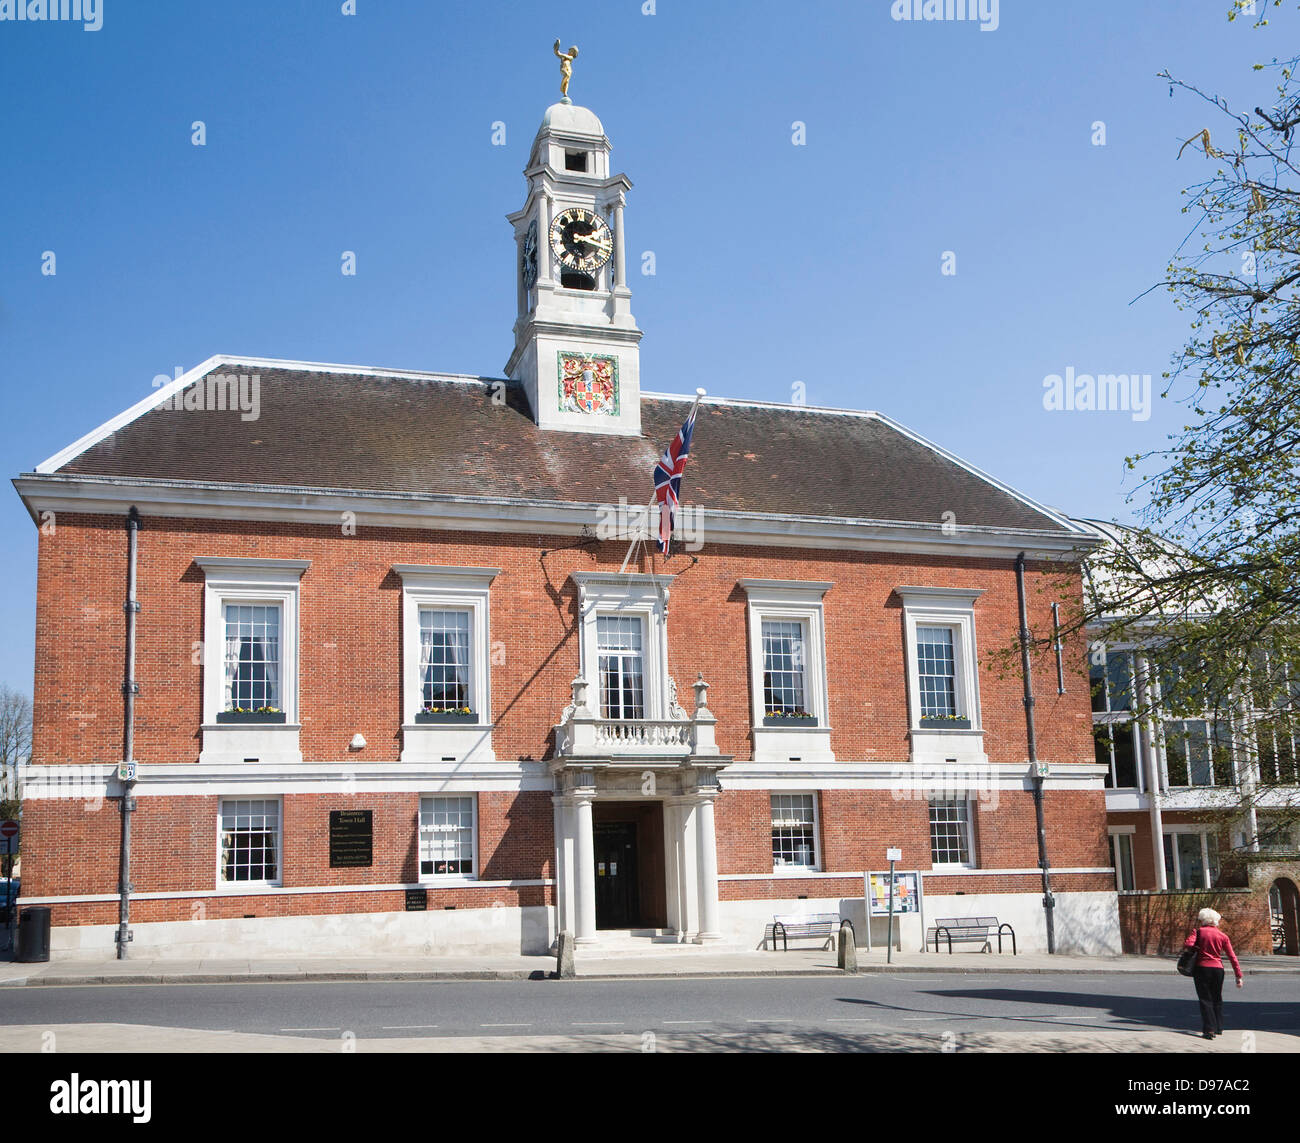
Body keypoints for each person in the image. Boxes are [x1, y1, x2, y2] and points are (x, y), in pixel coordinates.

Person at [1184, 907, 1243, 1040]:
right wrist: (1238, 975)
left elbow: (1188, 944)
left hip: (1202, 968)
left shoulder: (1199, 932)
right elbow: (1232, 956)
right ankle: (1219, 1026)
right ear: (1216, 921)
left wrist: (1195, 940)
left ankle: (1209, 1029)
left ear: (1203, 920)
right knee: (1217, 998)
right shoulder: (1223, 936)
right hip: (1218, 969)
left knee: (1205, 999)